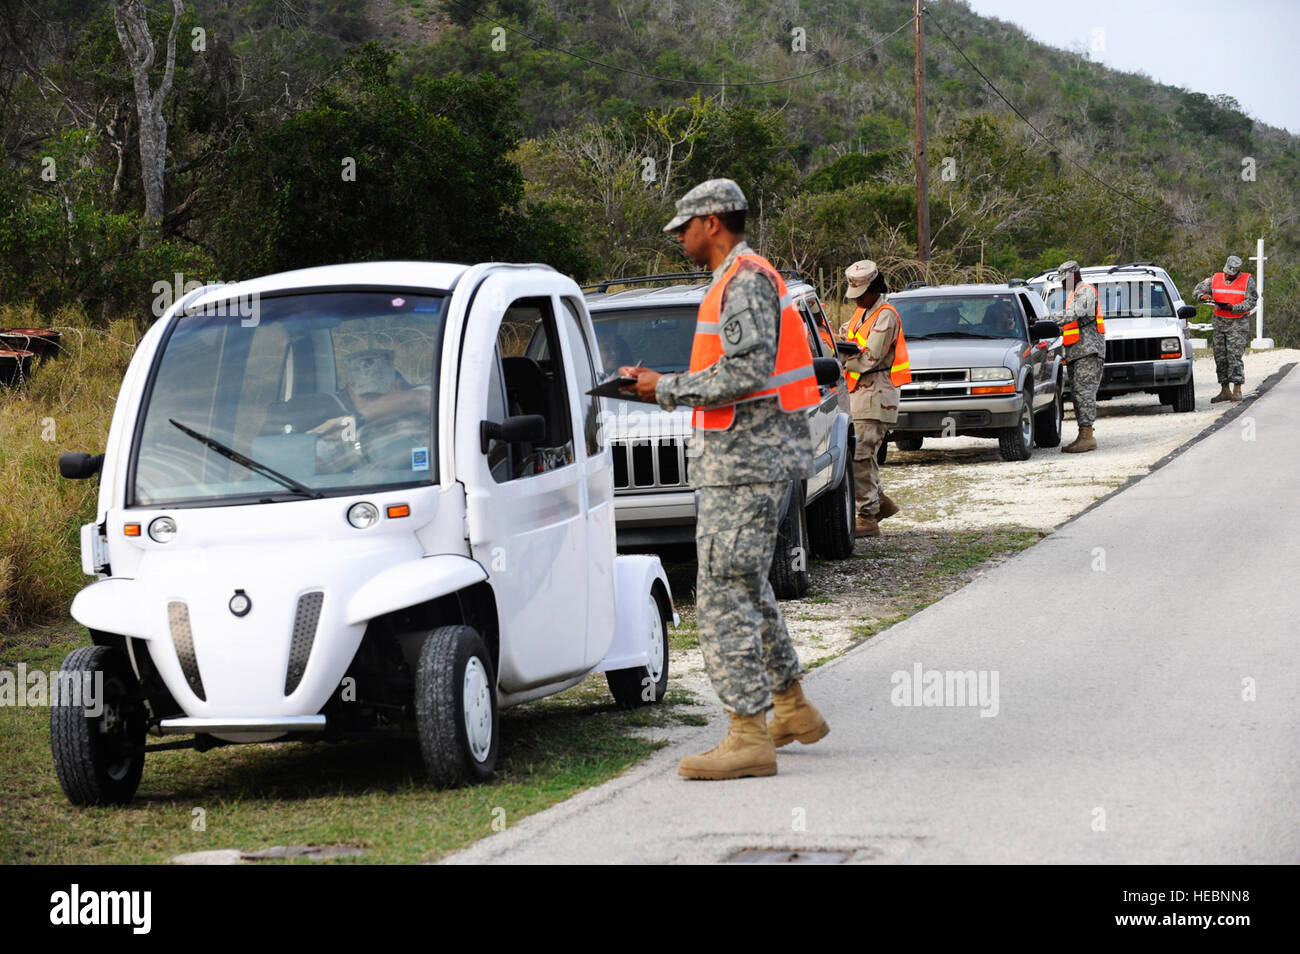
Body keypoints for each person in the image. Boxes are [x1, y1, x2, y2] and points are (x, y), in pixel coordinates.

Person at [621, 178, 829, 780]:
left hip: (746, 461)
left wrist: (663, 388)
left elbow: (745, 371)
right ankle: (790, 708)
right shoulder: (737, 280)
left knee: (719, 595)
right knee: (746, 585)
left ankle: (747, 735)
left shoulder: (744, 280)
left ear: (713, 222)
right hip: (744, 459)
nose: (680, 237)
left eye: (684, 226)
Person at [839, 259, 909, 537]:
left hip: (878, 393)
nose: (856, 300)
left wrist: (840, 359)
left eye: (861, 294)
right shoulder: (862, 312)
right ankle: (878, 503)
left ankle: (867, 516)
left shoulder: (886, 315)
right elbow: (847, 337)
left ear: (873, 289)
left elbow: (869, 358)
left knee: (861, 455)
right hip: (860, 392)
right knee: (862, 455)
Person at [1192, 255, 1257, 403]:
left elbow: (1251, 302)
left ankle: (1237, 389)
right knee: (1220, 357)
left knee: (1235, 357)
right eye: (1227, 272)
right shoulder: (1215, 278)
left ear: (1238, 271)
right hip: (1219, 325)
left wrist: (1233, 308)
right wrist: (1203, 296)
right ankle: (1224, 389)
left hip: (1238, 325)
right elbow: (1197, 290)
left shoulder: (1248, 280)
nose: (1228, 275)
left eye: (1231, 273)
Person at [1055, 260, 1105, 453]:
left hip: (1088, 352)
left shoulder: (1086, 291)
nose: (1061, 284)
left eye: (1063, 279)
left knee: (1084, 394)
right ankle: (1083, 434)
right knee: (1078, 394)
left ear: (1073, 275)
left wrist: (1047, 319)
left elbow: (1075, 314)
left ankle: (1087, 436)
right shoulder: (1073, 293)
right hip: (1077, 352)